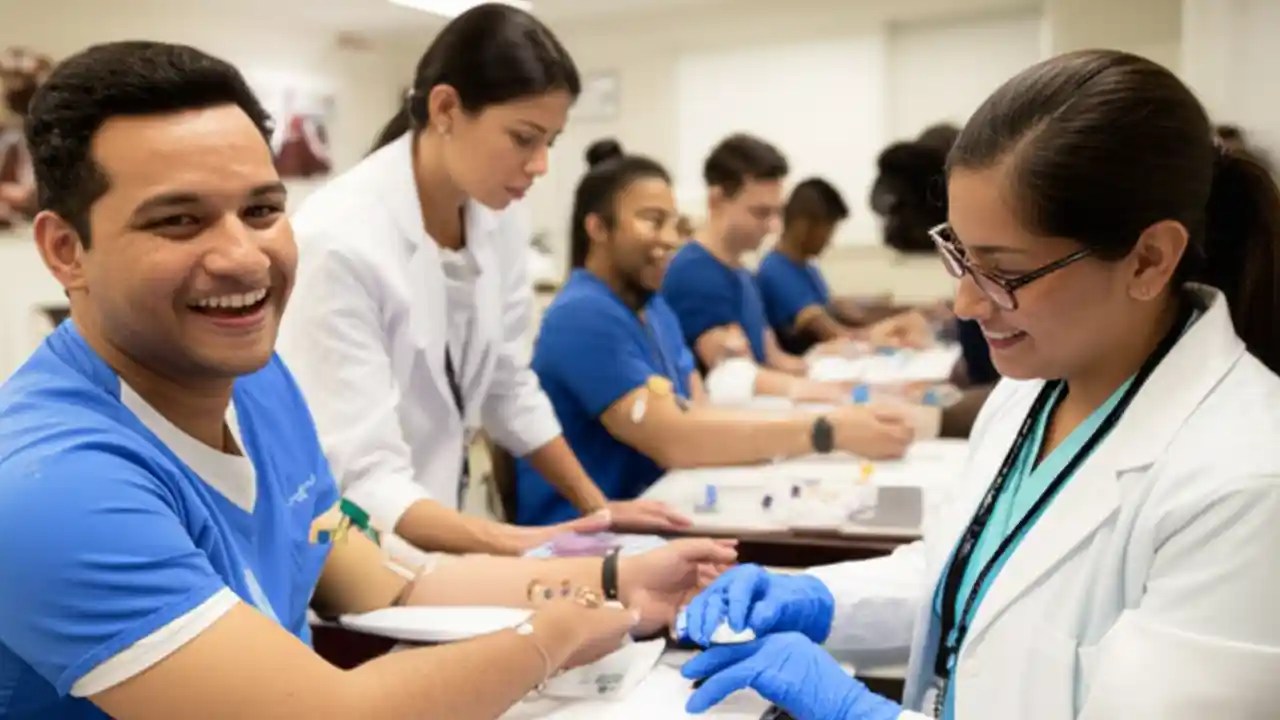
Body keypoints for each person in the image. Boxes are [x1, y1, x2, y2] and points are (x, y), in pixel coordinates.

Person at [0, 41, 738, 720]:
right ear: (66, 250)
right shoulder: (51, 485)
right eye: (179, 221)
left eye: (261, 211)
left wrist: (615, 582)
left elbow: (389, 582)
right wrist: (546, 641)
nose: (244, 258)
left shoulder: (258, 387)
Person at [676, 50, 1280, 720]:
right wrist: (816, 598)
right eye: (960, 253)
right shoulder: (1037, 386)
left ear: (1148, 259)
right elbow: (969, 575)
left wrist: (856, 712)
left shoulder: (1245, 482)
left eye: (1003, 271)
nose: (965, 302)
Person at [275, 3, 689, 559]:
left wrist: (596, 511)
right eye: (524, 138)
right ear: (445, 108)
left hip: (439, 530)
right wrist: (520, 544)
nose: (540, 165)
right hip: (358, 552)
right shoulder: (338, 241)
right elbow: (364, 476)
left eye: (551, 142)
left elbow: (506, 386)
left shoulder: (494, 218)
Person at [513, 140, 916, 525]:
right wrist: (829, 430)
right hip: (592, 534)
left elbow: (697, 411)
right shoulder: (582, 315)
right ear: (598, 228)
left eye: (675, 224)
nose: (671, 239)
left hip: (659, 508)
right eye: (654, 221)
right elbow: (674, 438)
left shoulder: (653, 310)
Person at [661, 134, 919, 403]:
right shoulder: (695, 274)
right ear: (716, 201)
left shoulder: (741, 273)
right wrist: (842, 392)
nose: (773, 226)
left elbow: (775, 361)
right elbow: (735, 377)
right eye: (760, 213)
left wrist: (846, 370)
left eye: (776, 213)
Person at [757, 177, 930, 355]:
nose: (829, 241)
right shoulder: (776, 272)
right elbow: (834, 335)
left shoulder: (806, 268)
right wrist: (890, 330)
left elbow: (850, 312)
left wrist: (912, 310)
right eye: (828, 230)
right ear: (804, 226)